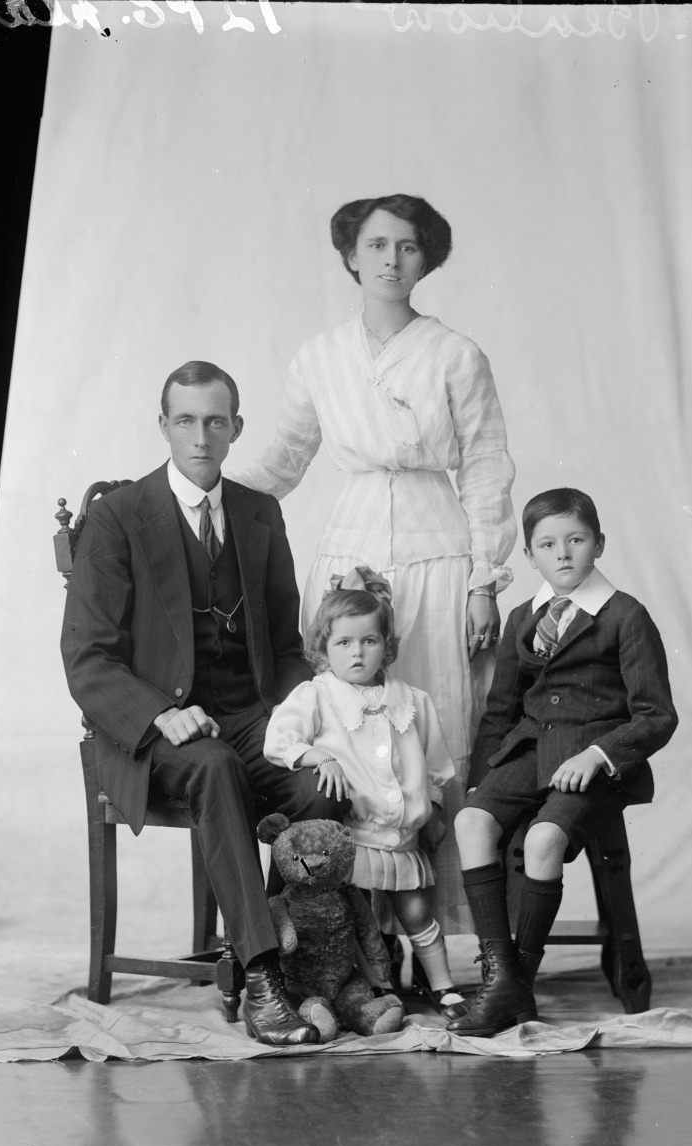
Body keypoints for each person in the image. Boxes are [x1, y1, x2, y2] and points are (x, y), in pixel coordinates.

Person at [228, 193, 517, 933]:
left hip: (440, 549)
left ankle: (441, 931)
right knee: (345, 730)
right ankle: (348, 934)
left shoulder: (455, 354)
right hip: (349, 550)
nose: (391, 260)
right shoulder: (318, 356)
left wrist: (484, 578)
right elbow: (282, 461)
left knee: (435, 728)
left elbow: (484, 465)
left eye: (409, 246)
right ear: (351, 255)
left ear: (428, 258)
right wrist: (200, 497)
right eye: (377, 245)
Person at [60, 359, 353, 1047]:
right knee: (216, 767)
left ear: (236, 429)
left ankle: (316, 960)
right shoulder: (117, 518)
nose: (200, 436)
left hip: (249, 713)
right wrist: (160, 712)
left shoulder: (258, 513)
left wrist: (308, 721)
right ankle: (260, 978)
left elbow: (285, 648)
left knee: (324, 783)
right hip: (151, 730)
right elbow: (87, 657)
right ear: (164, 425)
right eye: (185, 420)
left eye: (215, 421)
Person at [447, 488, 678, 1037]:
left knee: (545, 840)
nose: (563, 553)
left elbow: (657, 715)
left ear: (598, 543)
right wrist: (483, 784)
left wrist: (600, 755)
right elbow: (501, 711)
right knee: (470, 821)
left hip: (595, 758)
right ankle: (503, 979)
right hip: (530, 748)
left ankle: (514, 983)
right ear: (530, 556)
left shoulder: (624, 615)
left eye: (576, 540)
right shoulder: (525, 617)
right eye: (547, 544)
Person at [263, 567, 467, 1013]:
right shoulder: (316, 695)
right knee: (358, 917)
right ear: (323, 648)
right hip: (353, 838)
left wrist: (432, 810)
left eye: (369, 641)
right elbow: (278, 740)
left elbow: (435, 768)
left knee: (416, 913)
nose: (357, 654)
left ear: (387, 646)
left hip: (404, 836)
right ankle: (372, 991)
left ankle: (443, 984)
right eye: (343, 643)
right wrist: (321, 757)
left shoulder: (413, 701)